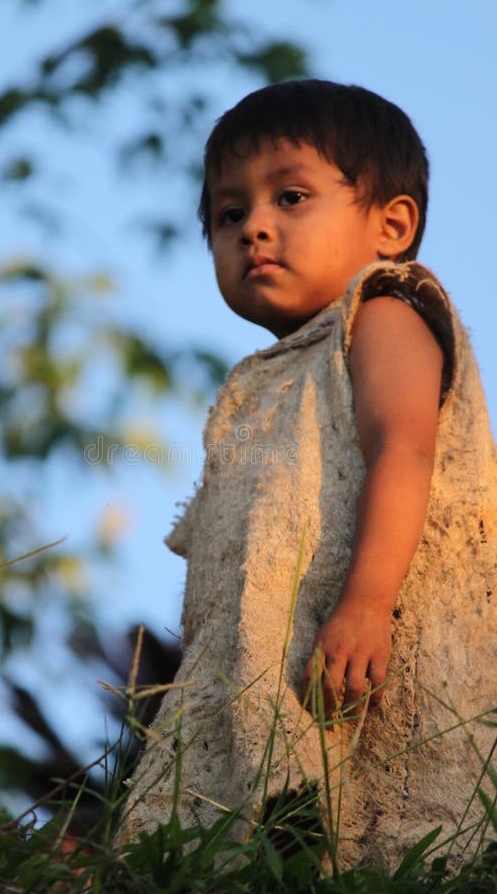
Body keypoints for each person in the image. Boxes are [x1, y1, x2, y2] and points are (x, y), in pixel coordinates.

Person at [119, 80, 497, 869]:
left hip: (368, 634)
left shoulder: (384, 309)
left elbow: (404, 450)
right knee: (251, 838)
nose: (253, 225)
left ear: (391, 224)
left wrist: (366, 603)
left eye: (290, 197)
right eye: (229, 215)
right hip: (280, 659)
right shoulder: (270, 375)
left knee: (381, 823)